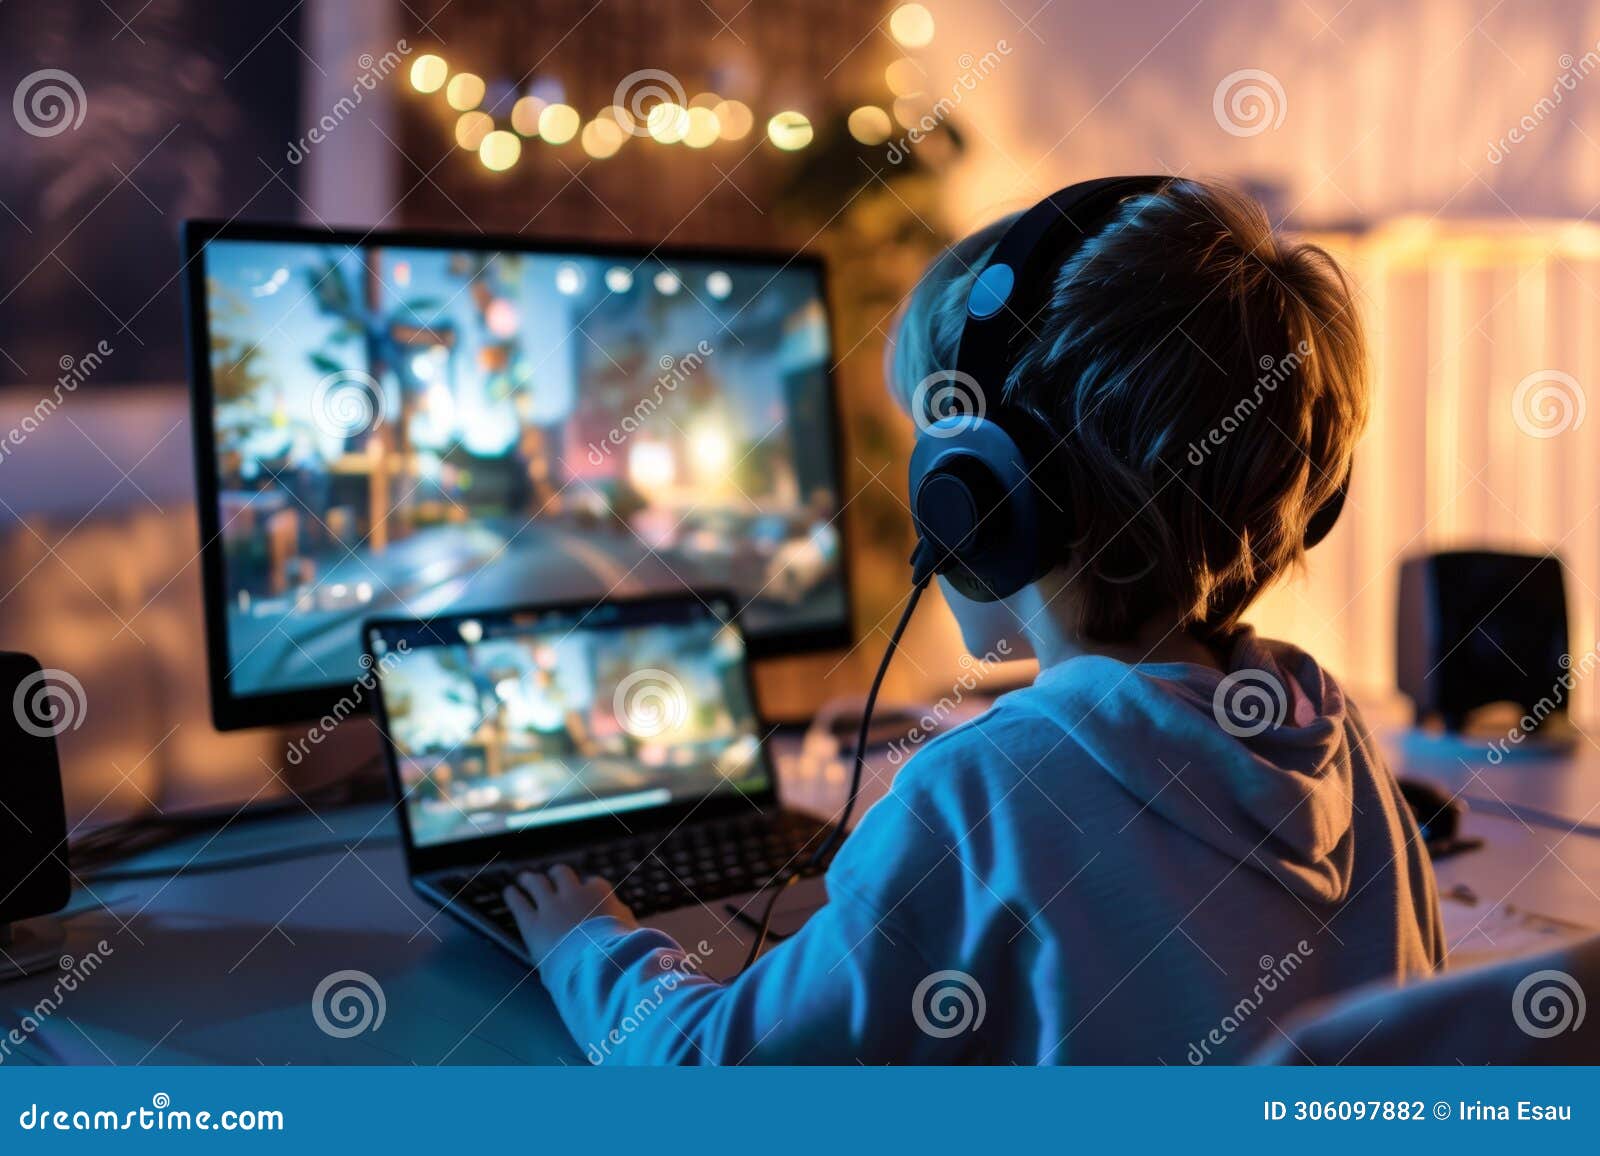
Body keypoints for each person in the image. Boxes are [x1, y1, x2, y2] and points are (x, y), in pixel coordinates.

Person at [499, 177, 1444, 1064]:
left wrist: (584, 943)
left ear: (980, 492)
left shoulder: (981, 797)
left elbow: (708, 1075)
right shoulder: (1328, 732)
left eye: (934, 444)